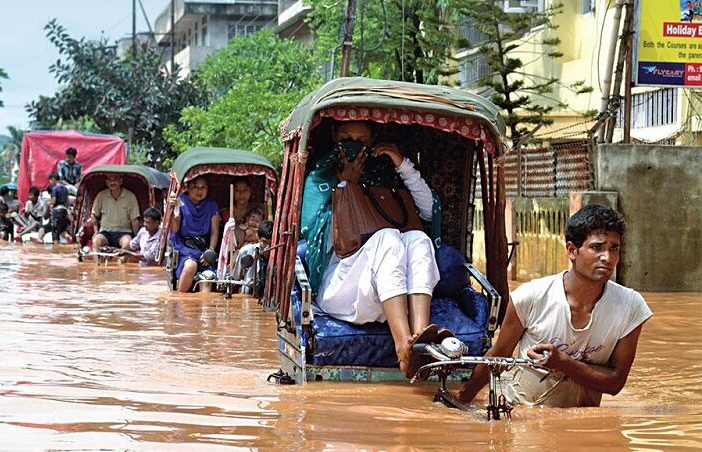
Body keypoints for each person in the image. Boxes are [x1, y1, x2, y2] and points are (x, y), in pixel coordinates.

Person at [459, 205, 653, 407]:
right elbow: (498, 356)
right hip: (521, 416)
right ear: (572, 250)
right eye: (597, 248)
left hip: (581, 426)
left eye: (614, 248)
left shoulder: (631, 306)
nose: (608, 257)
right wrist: (461, 403)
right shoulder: (531, 296)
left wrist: (562, 362)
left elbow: (615, 383)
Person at [301, 120, 443, 377]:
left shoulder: (386, 175)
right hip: (343, 285)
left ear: (374, 141)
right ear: (334, 136)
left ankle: (421, 340)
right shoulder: (319, 179)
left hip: (395, 290)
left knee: (418, 239)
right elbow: (319, 240)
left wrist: (402, 164)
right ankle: (403, 347)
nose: (353, 146)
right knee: (388, 237)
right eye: (346, 138)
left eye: (362, 141)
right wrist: (346, 186)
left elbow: (428, 211)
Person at [168, 176, 221, 292]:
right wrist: (170, 210)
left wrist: (210, 253)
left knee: (207, 278)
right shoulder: (180, 201)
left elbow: (214, 232)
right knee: (190, 266)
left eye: (203, 187)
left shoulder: (211, 205)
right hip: (184, 249)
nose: (199, 191)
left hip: (204, 251)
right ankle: (178, 301)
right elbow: (174, 228)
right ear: (188, 188)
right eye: (195, 187)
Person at [91, 173, 140, 252]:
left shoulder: (130, 197)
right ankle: (97, 264)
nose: (112, 182)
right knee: (96, 241)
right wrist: (96, 231)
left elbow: (134, 220)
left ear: (121, 181)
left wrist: (137, 238)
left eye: (115, 179)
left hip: (124, 233)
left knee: (127, 243)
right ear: (106, 182)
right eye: (110, 180)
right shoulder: (101, 195)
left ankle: (121, 263)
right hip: (105, 232)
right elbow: (94, 215)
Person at [233, 219, 273, 296]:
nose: (268, 247)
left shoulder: (281, 257)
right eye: (264, 242)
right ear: (258, 238)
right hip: (249, 297)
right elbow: (235, 280)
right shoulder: (246, 252)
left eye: (271, 243)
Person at [34, 173, 72, 244]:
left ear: (53, 179)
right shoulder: (65, 189)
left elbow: (54, 201)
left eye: (50, 181)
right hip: (64, 210)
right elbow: (67, 201)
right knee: (61, 228)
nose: (50, 183)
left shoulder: (55, 188)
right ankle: (67, 236)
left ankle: (55, 246)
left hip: (57, 211)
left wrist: (49, 203)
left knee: (55, 230)